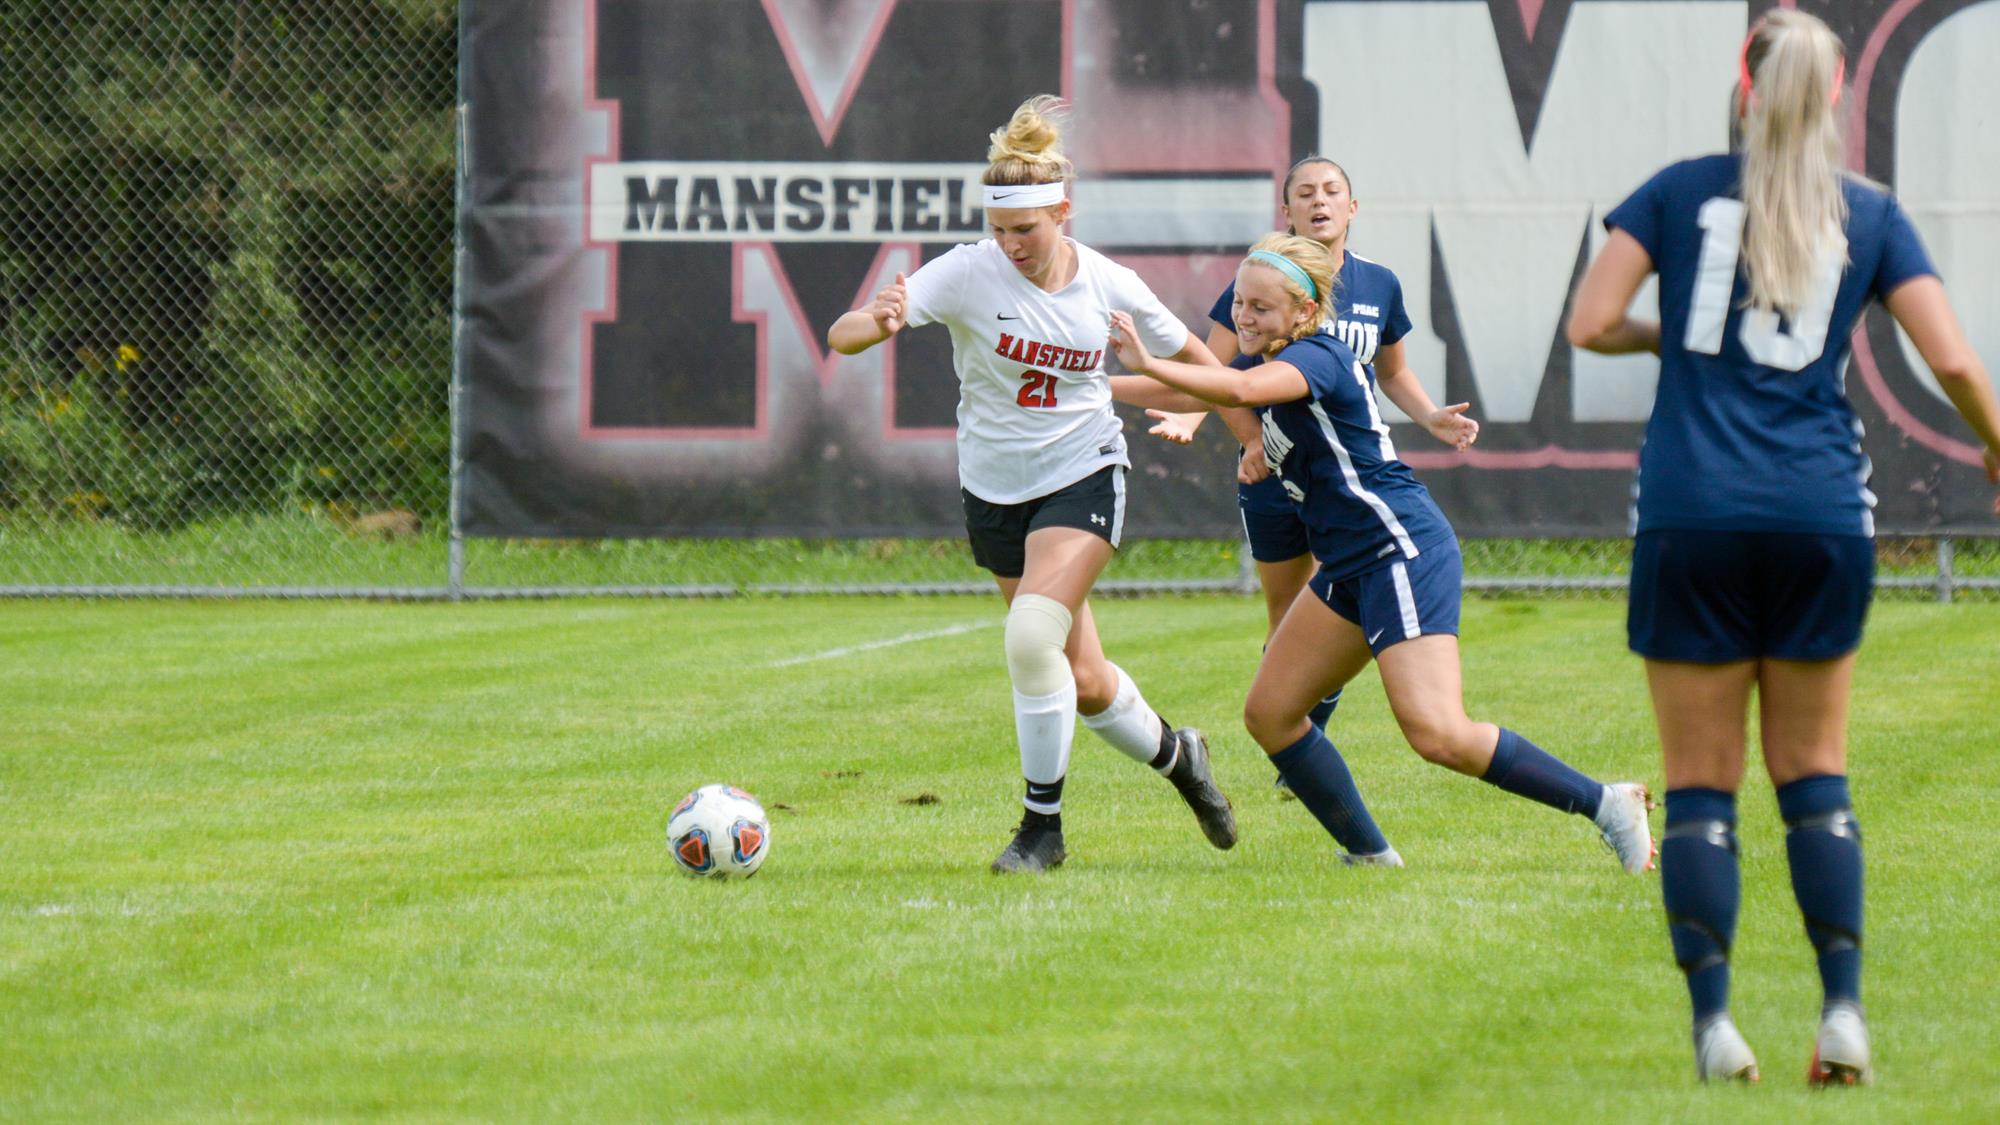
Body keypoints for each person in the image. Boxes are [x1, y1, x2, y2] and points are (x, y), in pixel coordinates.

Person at [1567, 10, 2000, 1085]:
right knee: (1813, 776)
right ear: (1837, 94)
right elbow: (1946, 357)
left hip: (1690, 512)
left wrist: (1684, 329)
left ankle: (1715, 1029)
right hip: (1817, 513)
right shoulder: (1865, 212)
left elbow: (1588, 321)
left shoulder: (1673, 190)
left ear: (1742, 85)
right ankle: (1841, 1013)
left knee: (1700, 788)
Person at [1110, 232, 1656, 874]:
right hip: (1351, 563)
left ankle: (1608, 804)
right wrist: (1091, 383)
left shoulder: (1320, 356)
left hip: (1397, 548)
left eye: (1261, 307)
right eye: (1240, 303)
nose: (1243, 316)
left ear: (1305, 312)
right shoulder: (1266, 362)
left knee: (1439, 734)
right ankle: (1369, 854)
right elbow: (1204, 390)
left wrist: (1146, 360)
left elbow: (1229, 394)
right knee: (1272, 714)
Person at [827, 95, 1238, 874]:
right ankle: (1181, 757)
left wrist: (1226, 423)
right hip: (993, 488)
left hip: (1084, 470)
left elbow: (1208, 370)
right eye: (1000, 229)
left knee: (1027, 639)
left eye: (1028, 228)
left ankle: (1040, 830)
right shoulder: (967, 271)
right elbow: (841, 334)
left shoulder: (1110, 282)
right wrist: (874, 323)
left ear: (1063, 212)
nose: (1012, 245)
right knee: (1082, 681)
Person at [1156, 157, 1439, 799]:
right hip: (1269, 468)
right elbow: (1219, 370)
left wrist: (1431, 416)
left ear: (1353, 207)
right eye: (1304, 193)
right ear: (1286, 211)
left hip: (1339, 479)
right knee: (1288, 619)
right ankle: (1292, 737)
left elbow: (1391, 372)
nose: (1319, 201)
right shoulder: (1262, 278)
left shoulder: (1377, 284)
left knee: (1332, 607)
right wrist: (1239, 434)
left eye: (1332, 191)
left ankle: (1298, 752)